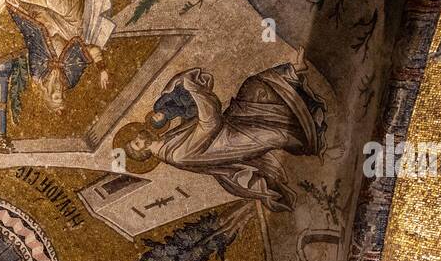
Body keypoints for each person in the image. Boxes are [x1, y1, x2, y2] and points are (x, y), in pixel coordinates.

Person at [114, 60, 327, 212]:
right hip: (233, 141)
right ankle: (318, 141)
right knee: (281, 132)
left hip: (229, 126)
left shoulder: (167, 141)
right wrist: (195, 90)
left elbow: (196, 121)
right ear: (143, 153)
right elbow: (209, 124)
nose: (139, 137)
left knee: (253, 86)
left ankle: (295, 71)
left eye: (136, 139)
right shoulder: (176, 155)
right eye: (137, 143)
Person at [4, 0, 116, 113]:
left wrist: (20, 9)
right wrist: (102, 69)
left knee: (42, 6)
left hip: (46, 26)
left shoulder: (38, 73)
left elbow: (34, 39)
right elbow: (92, 51)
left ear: (49, 95)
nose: (60, 94)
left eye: (57, 98)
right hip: (69, 30)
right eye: (62, 97)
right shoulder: (70, 79)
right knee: (68, 7)